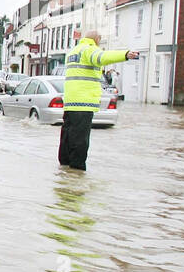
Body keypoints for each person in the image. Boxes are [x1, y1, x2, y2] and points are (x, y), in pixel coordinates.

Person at [59, 31, 138, 171]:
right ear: (96, 40)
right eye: (99, 42)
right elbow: (103, 57)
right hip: (83, 102)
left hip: (70, 101)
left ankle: (64, 169)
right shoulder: (89, 50)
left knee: (67, 136)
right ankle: (76, 171)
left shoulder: (73, 52)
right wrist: (125, 54)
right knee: (80, 138)